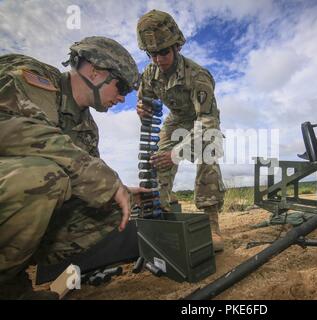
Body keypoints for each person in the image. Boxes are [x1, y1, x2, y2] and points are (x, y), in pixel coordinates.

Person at [0, 36, 147, 299]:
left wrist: (120, 190)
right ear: (94, 71)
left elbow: (88, 182)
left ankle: (10, 283)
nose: (123, 97)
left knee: (113, 203)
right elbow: (19, 132)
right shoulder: (33, 77)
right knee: (42, 178)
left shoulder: (87, 127)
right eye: (121, 86)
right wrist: (106, 182)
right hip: (14, 179)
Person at [136, 10, 226, 252]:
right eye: (152, 54)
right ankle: (161, 215)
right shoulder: (149, 73)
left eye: (163, 52)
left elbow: (207, 121)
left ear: (177, 46)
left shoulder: (198, 76)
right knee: (157, 162)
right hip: (175, 121)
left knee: (208, 153)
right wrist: (142, 108)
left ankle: (210, 225)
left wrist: (177, 153)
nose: (158, 59)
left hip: (202, 121)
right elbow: (144, 97)